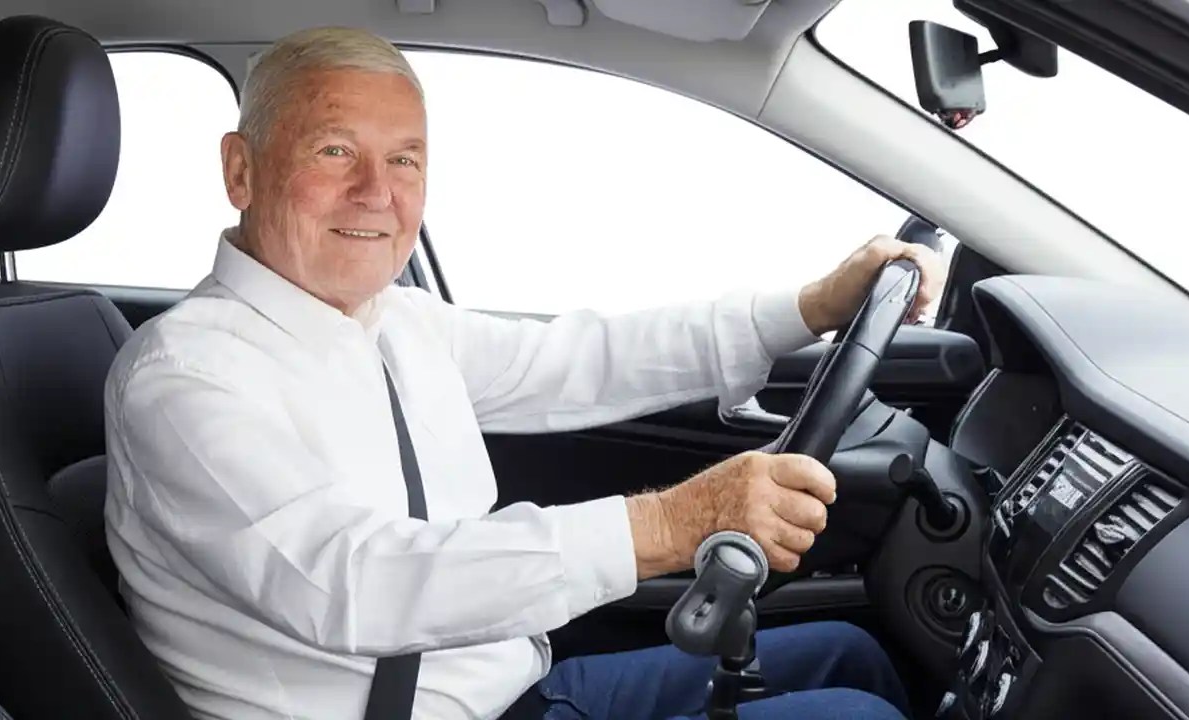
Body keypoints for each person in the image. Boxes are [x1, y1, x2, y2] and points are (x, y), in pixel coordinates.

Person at [103, 26, 945, 720]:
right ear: (241, 171)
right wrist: (670, 523)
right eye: (334, 150)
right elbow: (356, 581)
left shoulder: (389, 322)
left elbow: (577, 361)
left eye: (405, 160)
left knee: (851, 654)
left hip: (519, 689)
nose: (377, 192)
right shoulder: (183, 380)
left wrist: (804, 306)